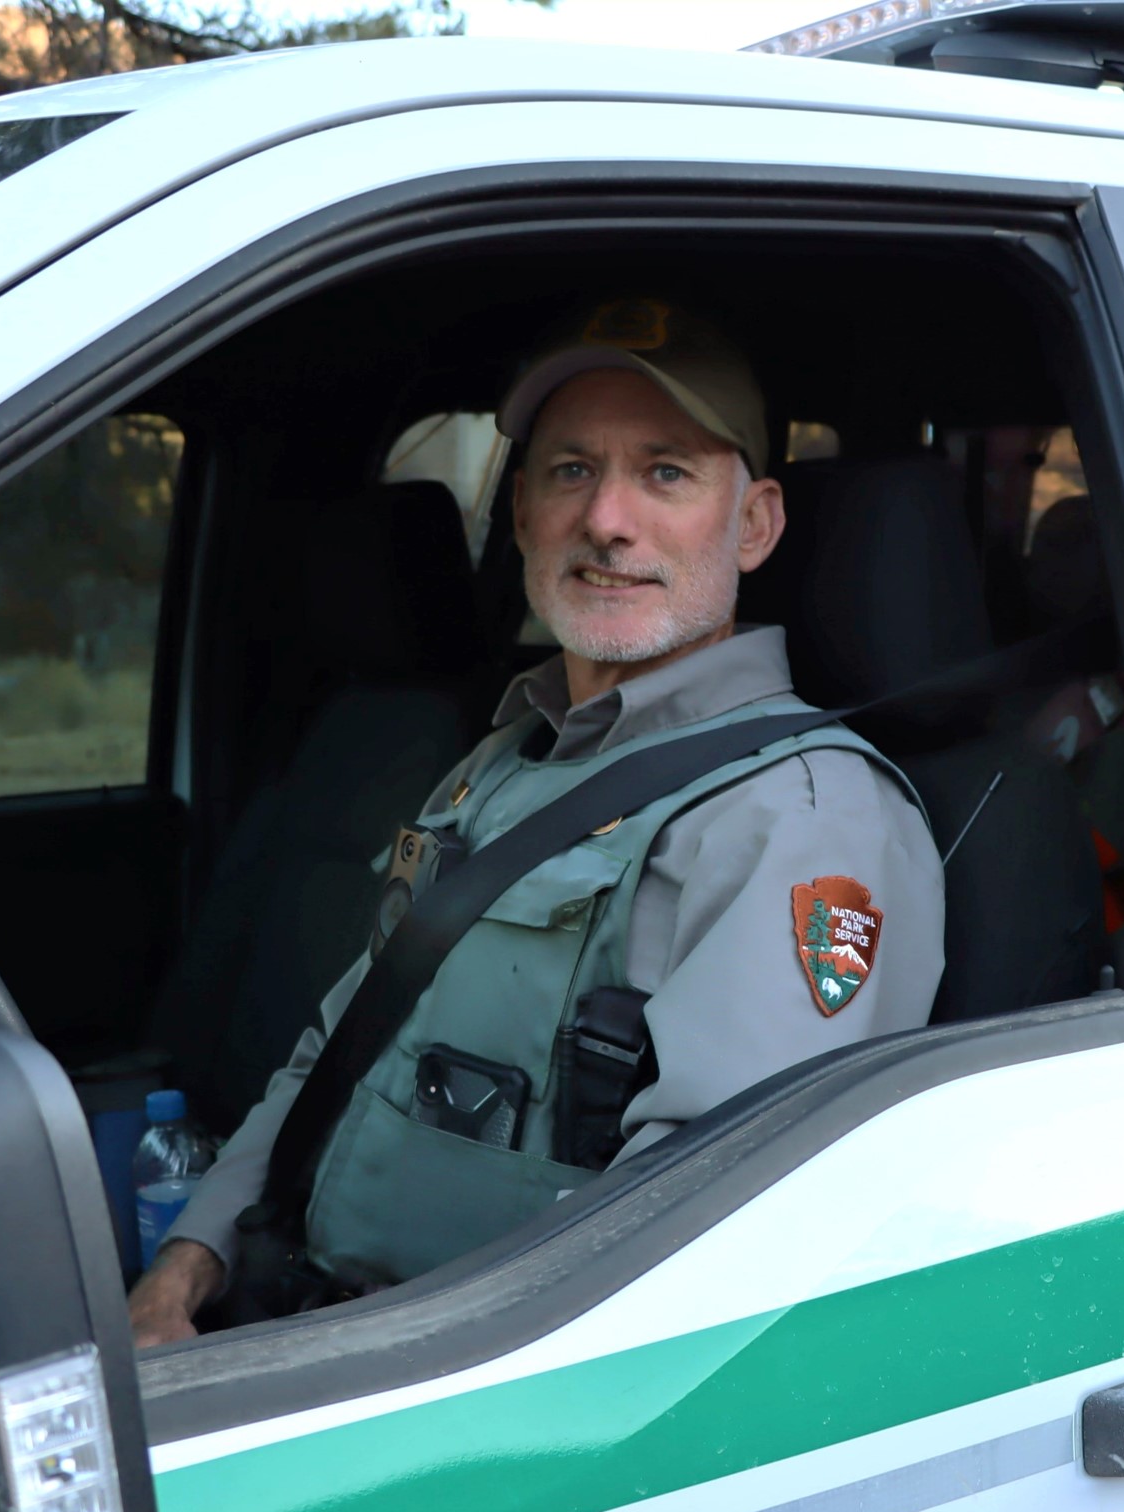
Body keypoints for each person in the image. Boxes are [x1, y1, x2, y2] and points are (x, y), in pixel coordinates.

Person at [129, 298, 945, 1346]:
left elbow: (708, 1244)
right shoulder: (501, 762)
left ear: (754, 525)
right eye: (570, 470)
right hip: (317, 1325)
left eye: (665, 472)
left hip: (488, 1383)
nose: (606, 519)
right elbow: (335, 1049)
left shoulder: (800, 819)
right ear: (520, 513)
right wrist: (186, 1264)